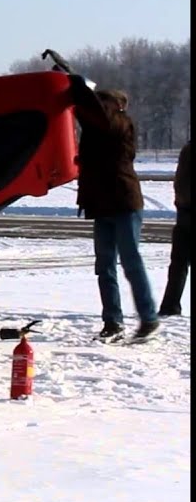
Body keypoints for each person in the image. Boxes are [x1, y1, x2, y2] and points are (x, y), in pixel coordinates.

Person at [47, 49, 159, 339]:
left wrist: (73, 78)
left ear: (119, 106)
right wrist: (69, 82)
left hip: (123, 204)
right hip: (102, 206)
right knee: (105, 267)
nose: (101, 107)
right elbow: (88, 111)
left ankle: (148, 317)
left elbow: (95, 112)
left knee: (131, 262)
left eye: (106, 102)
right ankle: (113, 322)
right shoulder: (99, 127)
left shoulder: (121, 124)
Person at [159, 140, 190, 317]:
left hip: (184, 212)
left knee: (179, 265)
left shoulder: (186, 149)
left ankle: (170, 306)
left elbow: (179, 182)